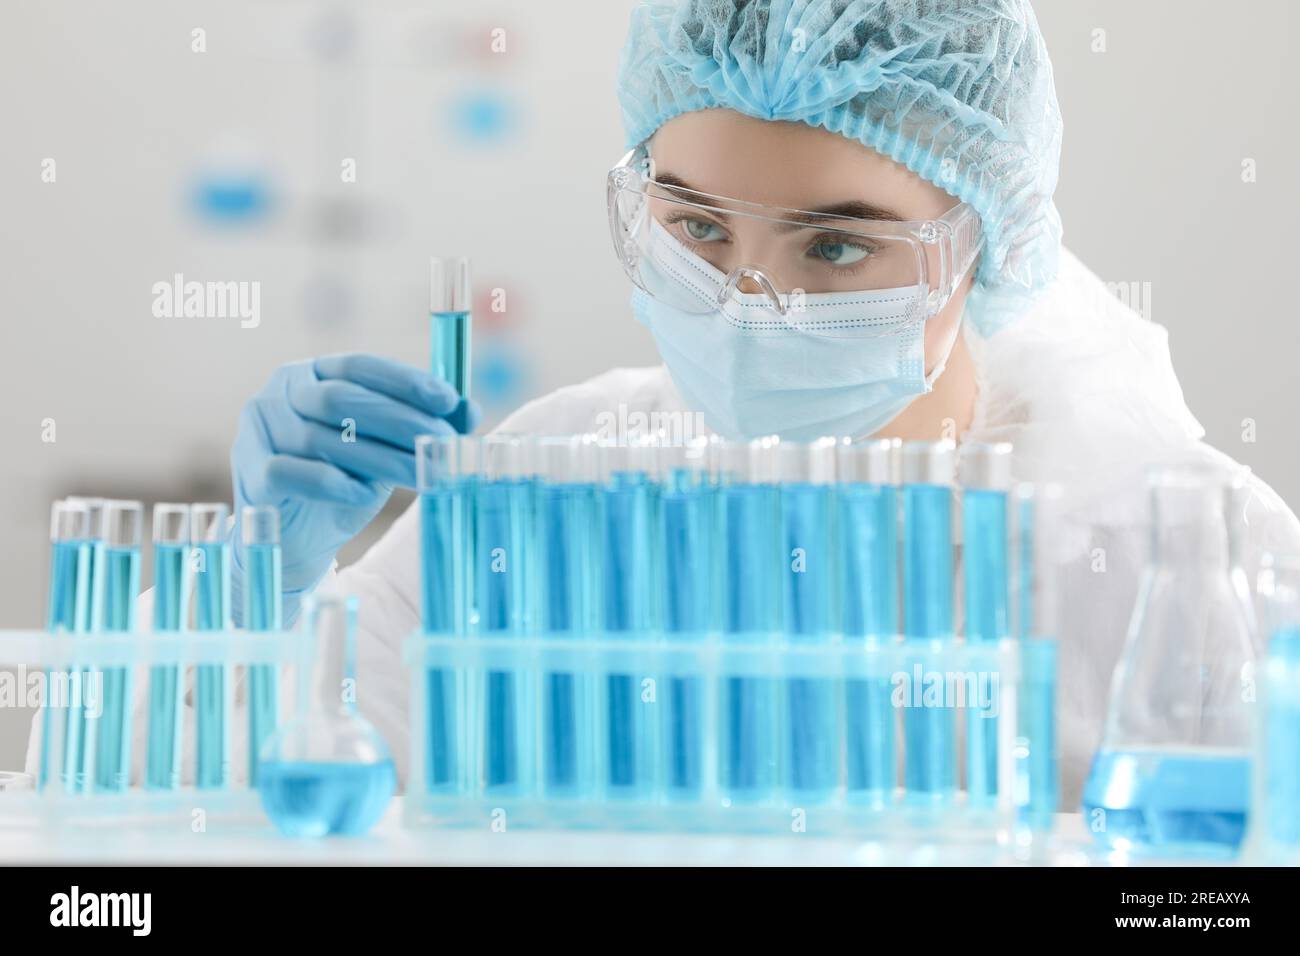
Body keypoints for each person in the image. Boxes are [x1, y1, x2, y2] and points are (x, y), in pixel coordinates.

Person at [37, 0, 1300, 810]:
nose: (746, 303)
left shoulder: (1186, 545)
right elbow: (159, 822)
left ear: (988, 243)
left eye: (836, 249)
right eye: (696, 227)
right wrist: (265, 589)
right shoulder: (551, 480)